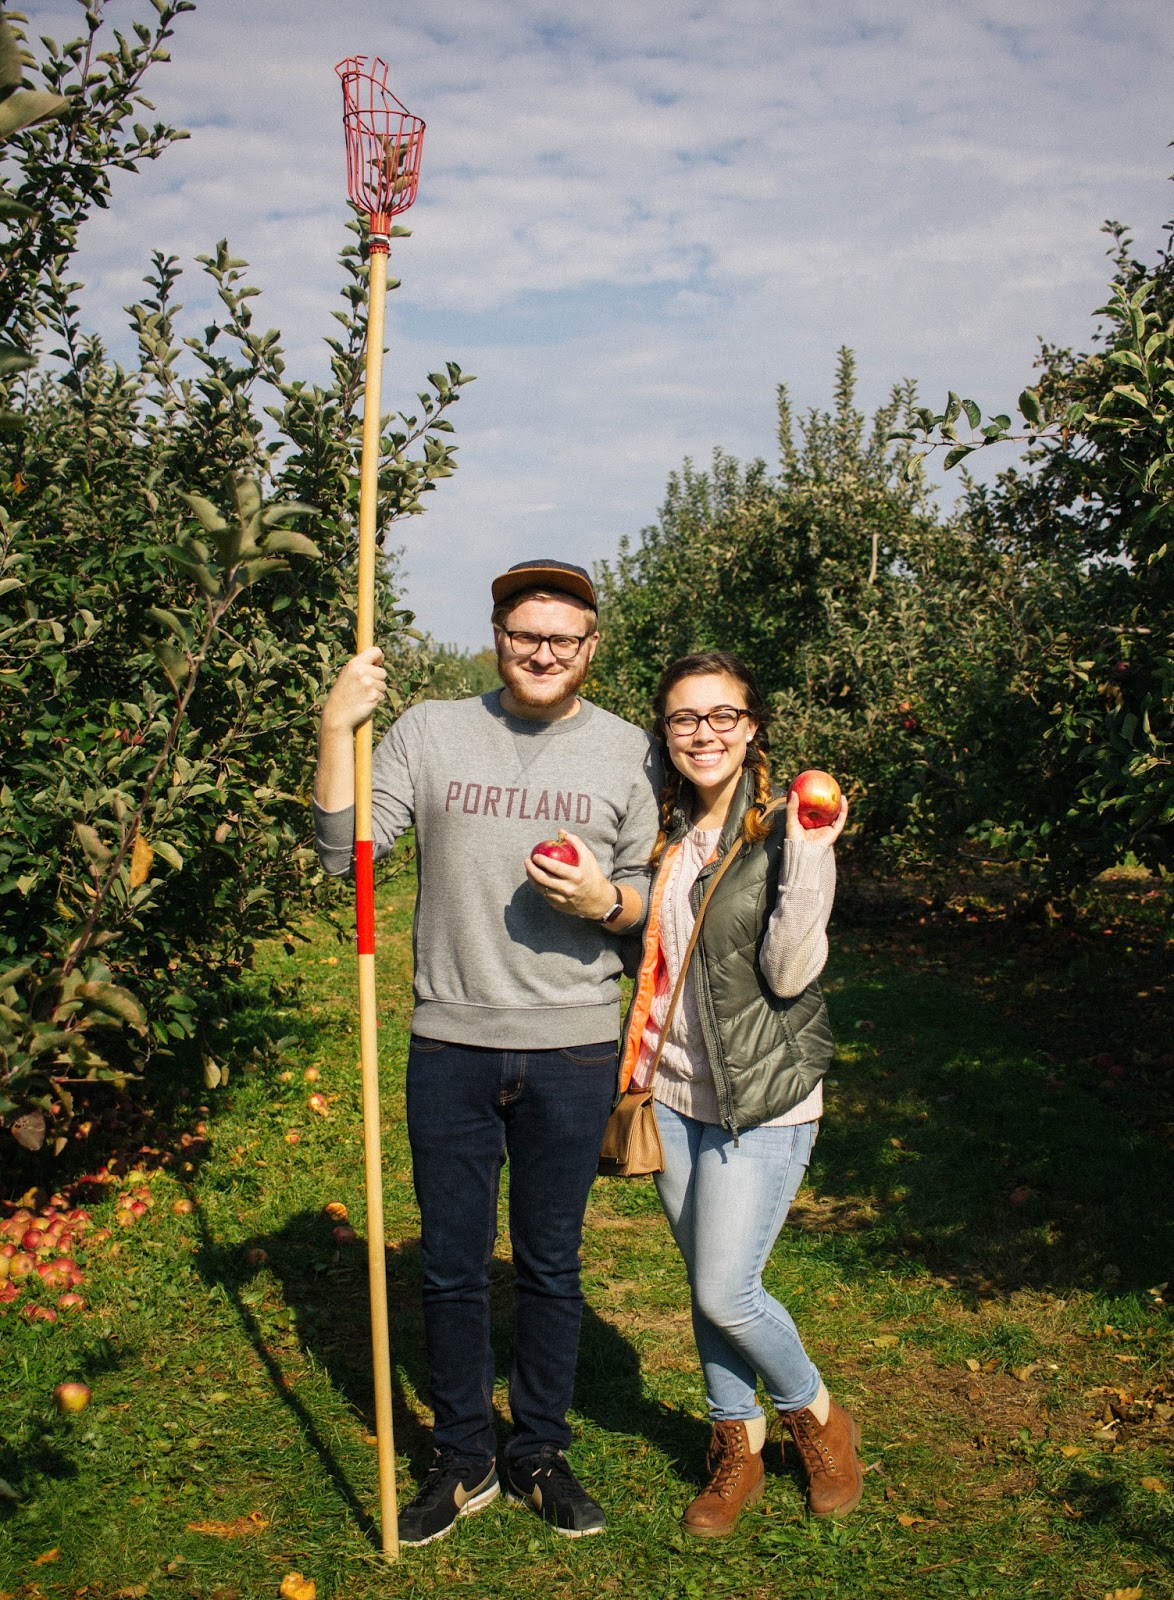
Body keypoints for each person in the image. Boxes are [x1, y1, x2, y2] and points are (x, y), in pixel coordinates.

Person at [313, 559, 659, 1546]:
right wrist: (335, 728)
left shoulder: (630, 752)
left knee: (551, 1262)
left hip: (573, 1047)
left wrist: (605, 900)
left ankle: (538, 1449)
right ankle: (463, 1454)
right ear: (497, 638)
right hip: (451, 1042)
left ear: (591, 647)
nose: (543, 653)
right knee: (452, 1264)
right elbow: (345, 855)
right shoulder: (427, 730)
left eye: (563, 638)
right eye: (525, 635)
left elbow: (652, 901)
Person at [617, 650, 862, 1536]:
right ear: (666, 731)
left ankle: (817, 1418)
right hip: (675, 1093)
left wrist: (812, 856)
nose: (704, 733)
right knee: (704, 1283)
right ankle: (737, 1441)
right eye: (685, 717)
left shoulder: (785, 830)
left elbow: (790, 974)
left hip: (761, 1098)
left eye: (723, 715)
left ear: (752, 728)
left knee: (728, 1290)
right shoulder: (662, 833)